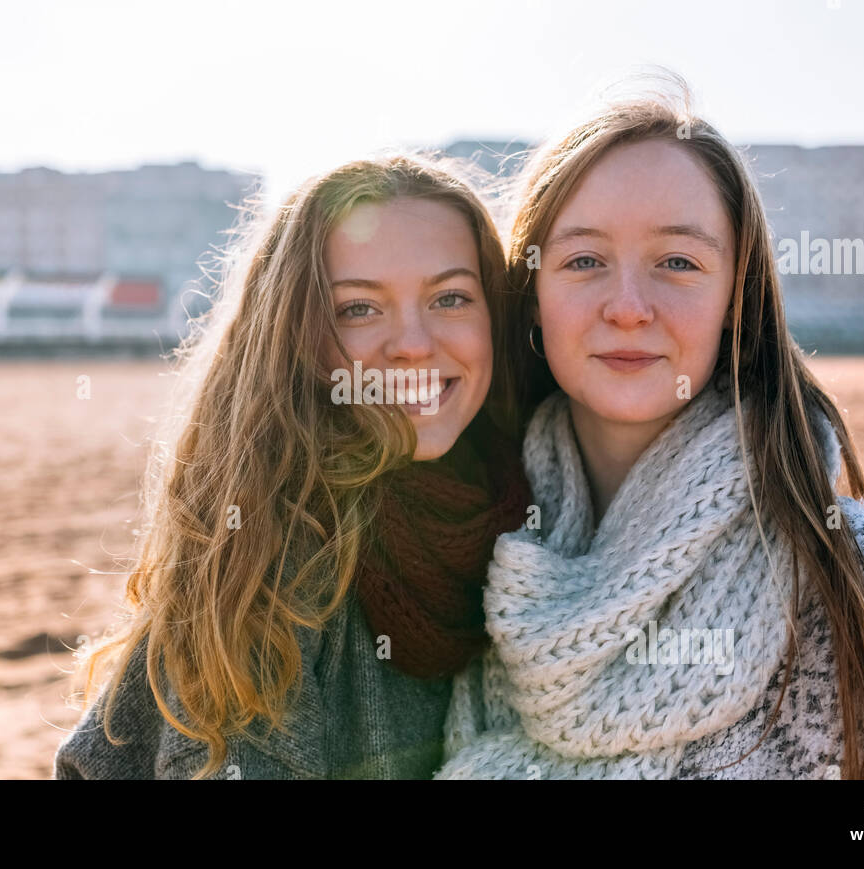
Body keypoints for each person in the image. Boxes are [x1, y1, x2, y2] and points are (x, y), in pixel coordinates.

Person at [437, 77, 864, 780]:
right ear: (532, 297)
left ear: (734, 298)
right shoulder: (465, 548)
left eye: (678, 262)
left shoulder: (846, 574)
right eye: (584, 260)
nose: (628, 306)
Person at [53, 154, 531, 779]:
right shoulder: (275, 565)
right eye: (359, 308)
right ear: (295, 337)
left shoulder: (538, 498)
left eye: (450, 297)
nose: (413, 342)